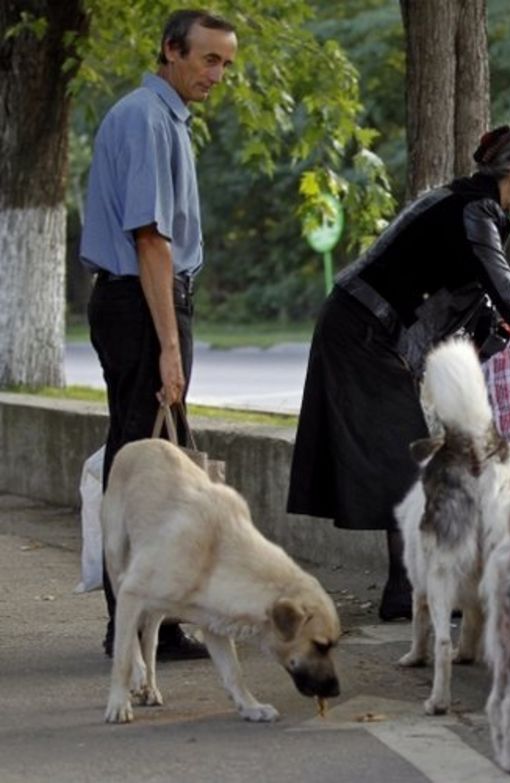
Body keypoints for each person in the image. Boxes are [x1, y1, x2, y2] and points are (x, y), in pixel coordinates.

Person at [287, 123, 510, 621]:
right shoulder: (470, 211)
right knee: (406, 460)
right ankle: (411, 594)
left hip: (370, 331)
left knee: (407, 458)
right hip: (362, 334)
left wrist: (502, 337)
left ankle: (411, 591)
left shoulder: (468, 205)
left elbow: (477, 295)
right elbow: (508, 293)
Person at [80, 9, 238, 659]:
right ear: (171, 51)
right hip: (143, 304)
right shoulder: (147, 119)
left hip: (143, 303)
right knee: (145, 467)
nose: (218, 74)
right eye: (208, 59)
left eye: (225, 63)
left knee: (155, 462)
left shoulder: (158, 116)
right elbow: (150, 239)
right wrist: (170, 345)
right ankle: (136, 624)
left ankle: (152, 618)